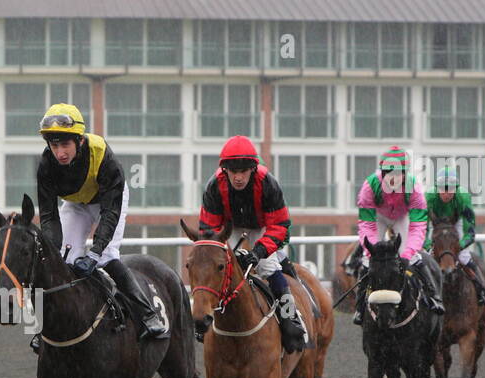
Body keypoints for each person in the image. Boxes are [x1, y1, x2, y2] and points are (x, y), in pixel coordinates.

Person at [33, 103, 168, 352]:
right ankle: (51, 326)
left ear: (80, 141)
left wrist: (94, 252)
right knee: (65, 259)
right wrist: (54, 249)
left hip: (108, 203)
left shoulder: (103, 157)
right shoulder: (45, 166)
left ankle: (147, 314)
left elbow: (110, 214)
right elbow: (49, 217)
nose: (60, 153)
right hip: (75, 204)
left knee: (106, 256)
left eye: (65, 145)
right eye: (54, 146)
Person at [197, 135, 307, 354]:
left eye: (244, 171)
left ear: (253, 169)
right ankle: (203, 315)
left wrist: (258, 252)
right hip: (229, 227)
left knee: (268, 266)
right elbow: (208, 230)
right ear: (225, 170)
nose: (238, 177)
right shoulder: (213, 186)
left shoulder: (268, 183)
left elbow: (279, 225)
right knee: (216, 265)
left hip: (262, 226)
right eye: (233, 171)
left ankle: (290, 320)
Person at [353, 146, 445, 325]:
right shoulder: (370, 185)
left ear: (405, 174)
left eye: (398, 173)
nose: (393, 178)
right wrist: (373, 250)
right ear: (383, 172)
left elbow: (418, 225)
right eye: (389, 173)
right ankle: (359, 307)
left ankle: (434, 296)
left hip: (402, 217)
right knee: (367, 259)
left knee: (415, 257)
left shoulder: (414, 188)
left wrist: (408, 253)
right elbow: (366, 224)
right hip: (378, 218)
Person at [425, 166, 485, 306]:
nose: (447, 193)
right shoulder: (428, 197)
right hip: (435, 223)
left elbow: (470, 232)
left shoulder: (463, 197)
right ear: (437, 188)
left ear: (456, 189)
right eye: (443, 189)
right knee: (426, 257)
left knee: (464, 257)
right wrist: (428, 245)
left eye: (450, 189)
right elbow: (421, 228)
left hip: (456, 222)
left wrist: (459, 246)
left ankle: (482, 291)